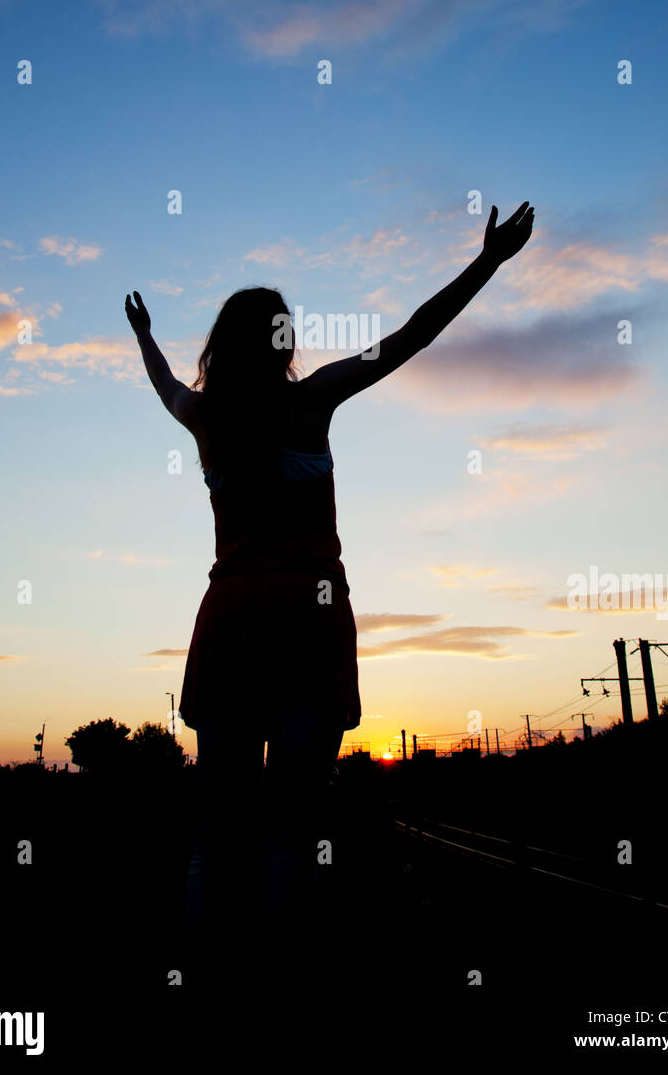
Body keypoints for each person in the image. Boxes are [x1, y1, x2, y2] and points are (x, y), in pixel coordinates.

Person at [125, 199, 534, 991]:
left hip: (232, 618)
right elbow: (411, 338)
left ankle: (210, 991)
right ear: (282, 344)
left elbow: (166, 385)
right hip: (306, 621)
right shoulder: (310, 402)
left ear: (223, 344)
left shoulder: (203, 418)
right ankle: (285, 995)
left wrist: (144, 337)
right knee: (288, 834)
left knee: (216, 838)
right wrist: (487, 263)